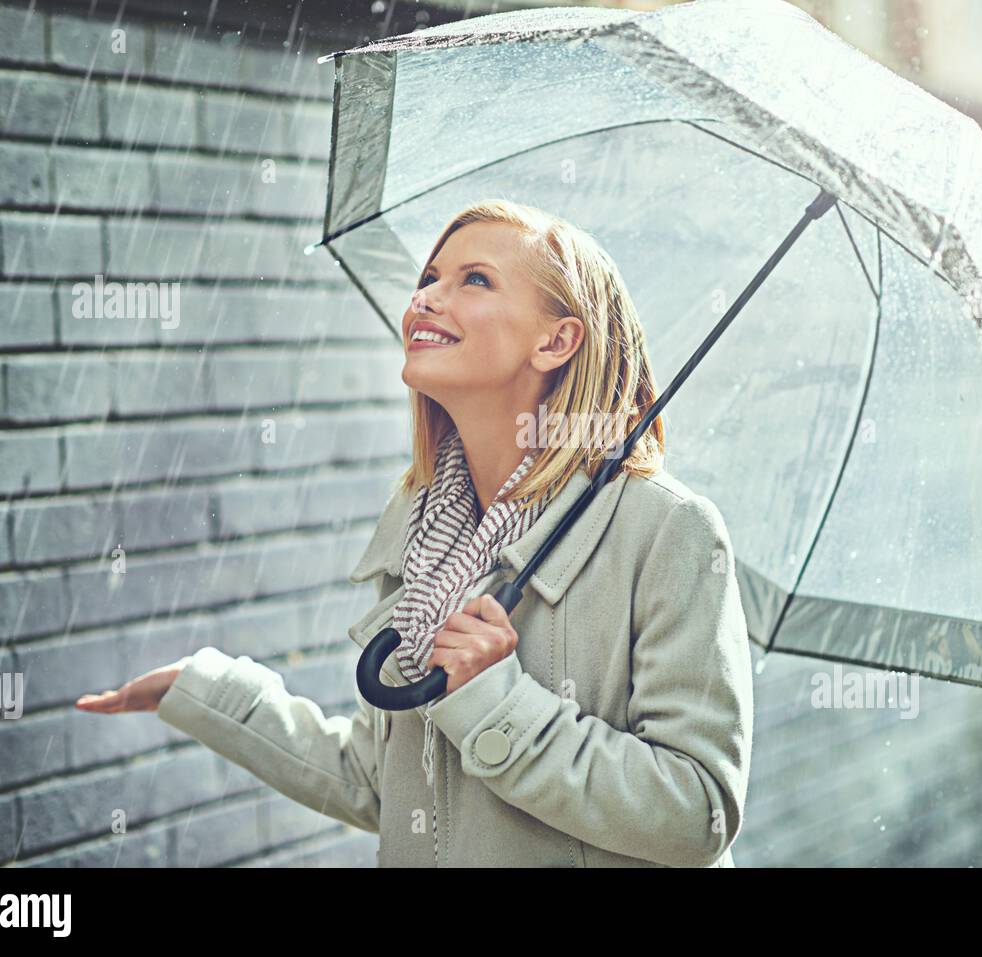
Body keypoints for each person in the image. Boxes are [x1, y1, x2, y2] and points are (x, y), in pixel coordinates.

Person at [76, 198, 755, 867]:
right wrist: (206, 690)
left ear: (556, 340)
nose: (426, 297)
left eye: (474, 280)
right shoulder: (426, 528)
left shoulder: (667, 530)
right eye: (430, 277)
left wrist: (498, 702)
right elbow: (387, 781)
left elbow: (698, 813)